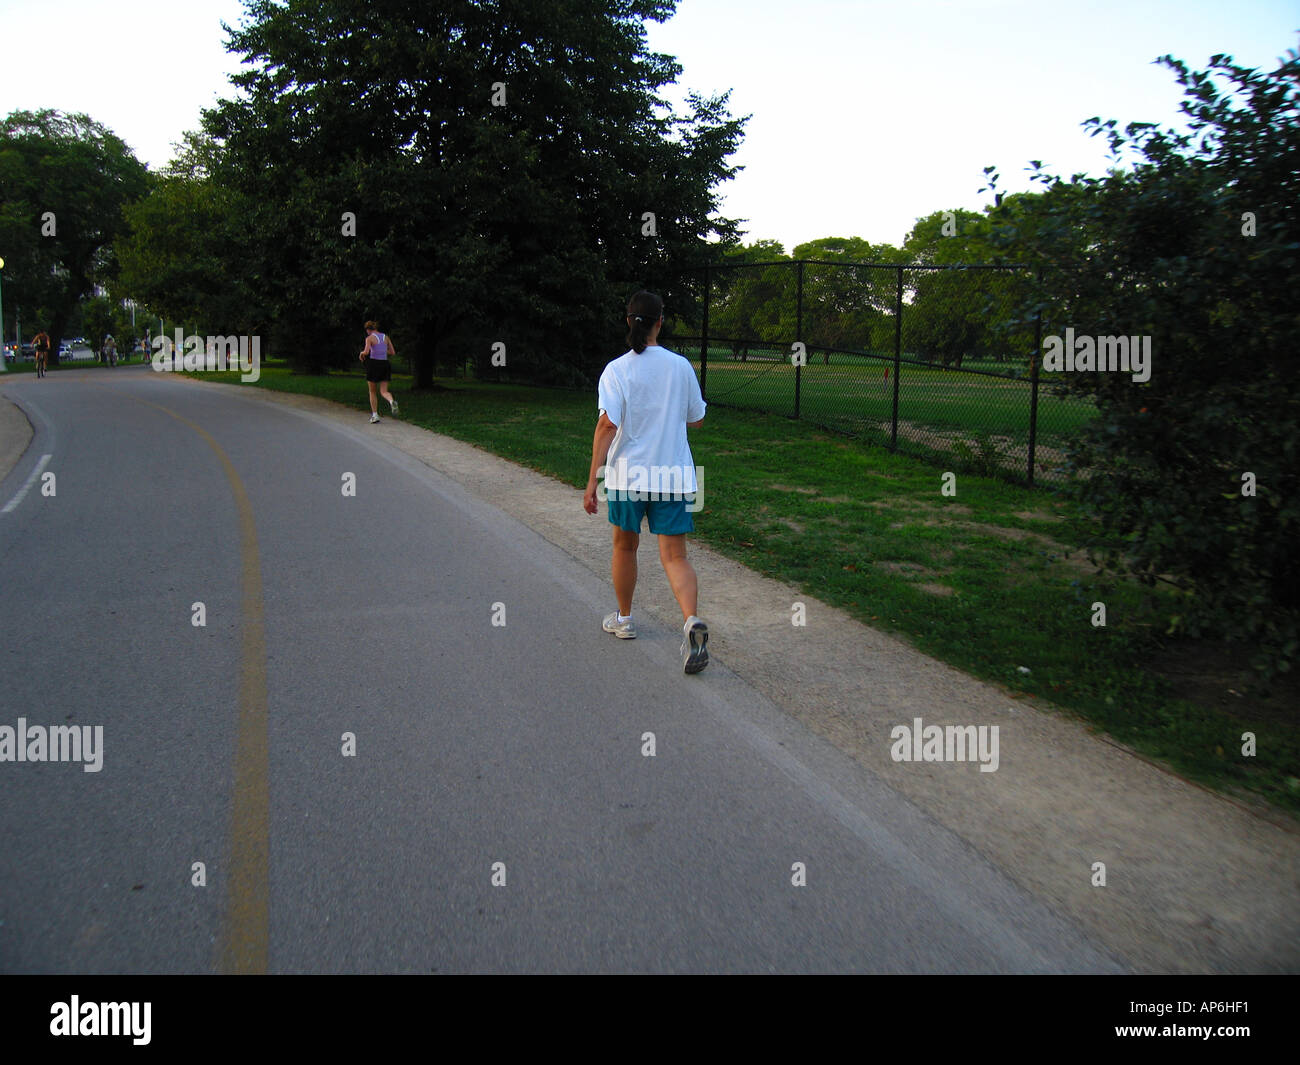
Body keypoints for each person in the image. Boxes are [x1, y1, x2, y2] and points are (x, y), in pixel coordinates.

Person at [584, 290, 710, 674]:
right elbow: (697, 419)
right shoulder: (680, 366)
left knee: (625, 547)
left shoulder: (616, 370)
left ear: (628, 320)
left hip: (627, 474)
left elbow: (608, 425)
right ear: (660, 321)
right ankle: (690, 621)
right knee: (675, 556)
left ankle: (624, 620)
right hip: (674, 472)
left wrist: (592, 481)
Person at [358, 321, 398, 423]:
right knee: (384, 391)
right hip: (385, 364)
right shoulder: (386, 337)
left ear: (368, 330)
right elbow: (392, 352)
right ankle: (391, 401)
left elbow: (366, 352)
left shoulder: (369, 338)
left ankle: (375, 415)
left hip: (373, 365)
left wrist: (361, 353)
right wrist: (382, 351)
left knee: (372, 391)